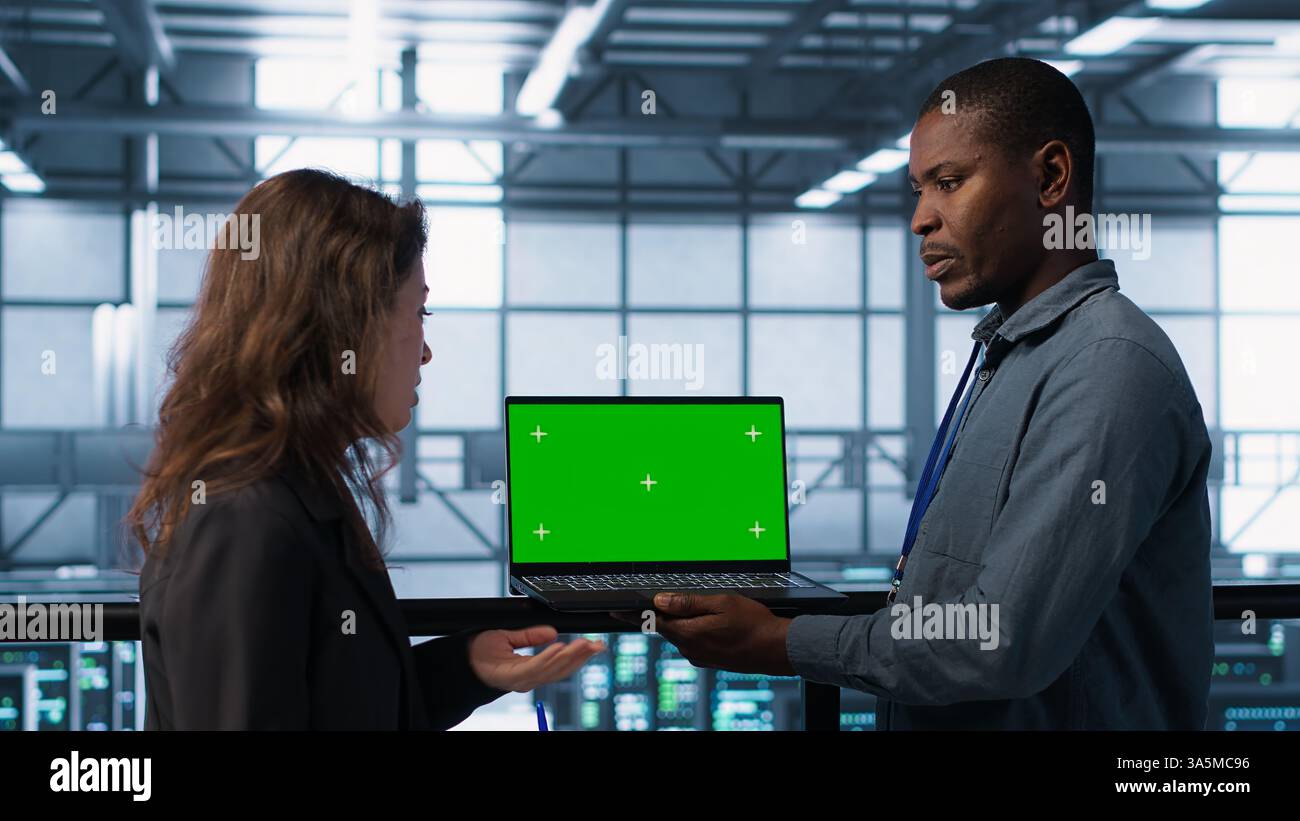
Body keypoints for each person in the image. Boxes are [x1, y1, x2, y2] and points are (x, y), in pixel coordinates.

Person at [640, 57, 1214, 730]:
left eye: (949, 182)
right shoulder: (1010, 351)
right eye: (918, 189)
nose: (920, 219)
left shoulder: (1108, 364)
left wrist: (777, 641)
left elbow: (998, 638)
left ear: (1050, 177)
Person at [128, 168, 604, 730]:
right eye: (419, 313)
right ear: (343, 325)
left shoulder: (290, 491)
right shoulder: (246, 519)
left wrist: (467, 666)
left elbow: (339, 706)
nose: (425, 353)